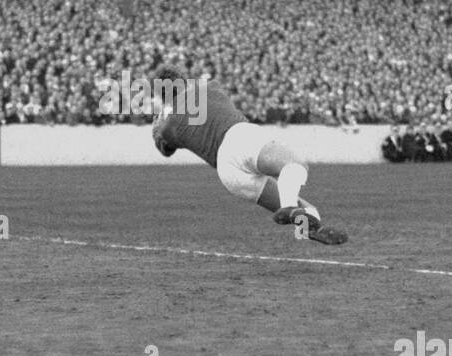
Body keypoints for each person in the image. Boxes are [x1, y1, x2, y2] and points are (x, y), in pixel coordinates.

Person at [149, 64, 348, 244]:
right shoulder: (209, 88)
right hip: (239, 138)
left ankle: (306, 229)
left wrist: (159, 126)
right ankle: (289, 208)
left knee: (303, 208)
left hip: (228, 173)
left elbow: (166, 150)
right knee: (295, 166)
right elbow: (198, 90)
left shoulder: (168, 128)